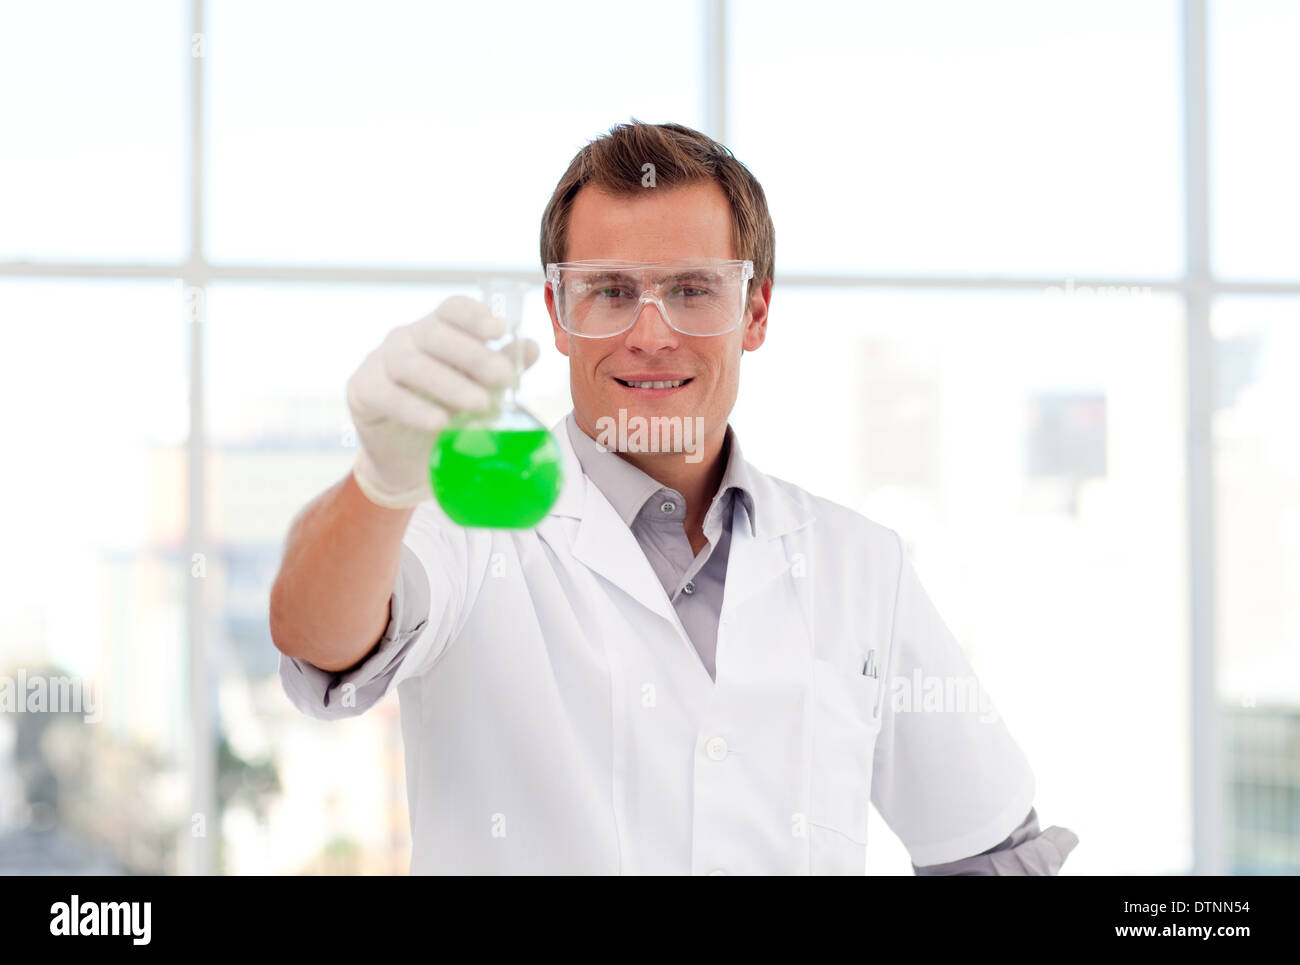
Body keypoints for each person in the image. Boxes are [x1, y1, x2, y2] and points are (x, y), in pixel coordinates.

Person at [270, 120, 1078, 875]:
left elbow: (988, 849)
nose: (651, 335)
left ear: (754, 310)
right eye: (611, 290)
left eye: (692, 290)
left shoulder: (862, 565)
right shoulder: (469, 528)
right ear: (558, 313)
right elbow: (320, 632)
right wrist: (380, 485)